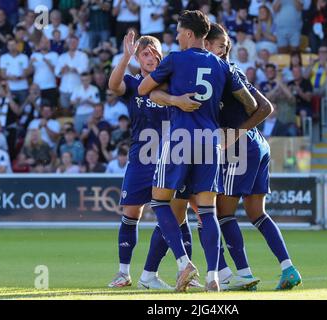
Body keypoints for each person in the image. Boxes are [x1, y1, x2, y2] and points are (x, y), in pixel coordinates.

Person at [138, 10, 260, 292]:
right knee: (207, 211)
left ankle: (183, 262)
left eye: (179, 32)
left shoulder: (175, 59)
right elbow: (251, 104)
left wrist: (174, 99)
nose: (177, 36)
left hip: (181, 136)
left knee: (159, 202)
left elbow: (144, 88)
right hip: (211, 141)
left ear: (189, 34)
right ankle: (213, 277)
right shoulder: (221, 66)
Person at [108, 31, 198, 290]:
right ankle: (124, 273)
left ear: (161, 55)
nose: (150, 57)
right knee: (130, 214)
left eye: (154, 52)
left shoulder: (172, 83)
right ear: (138, 58)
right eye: (144, 54)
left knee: (179, 214)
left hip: (172, 159)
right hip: (140, 160)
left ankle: (184, 273)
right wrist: (125, 57)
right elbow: (114, 86)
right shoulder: (134, 85)